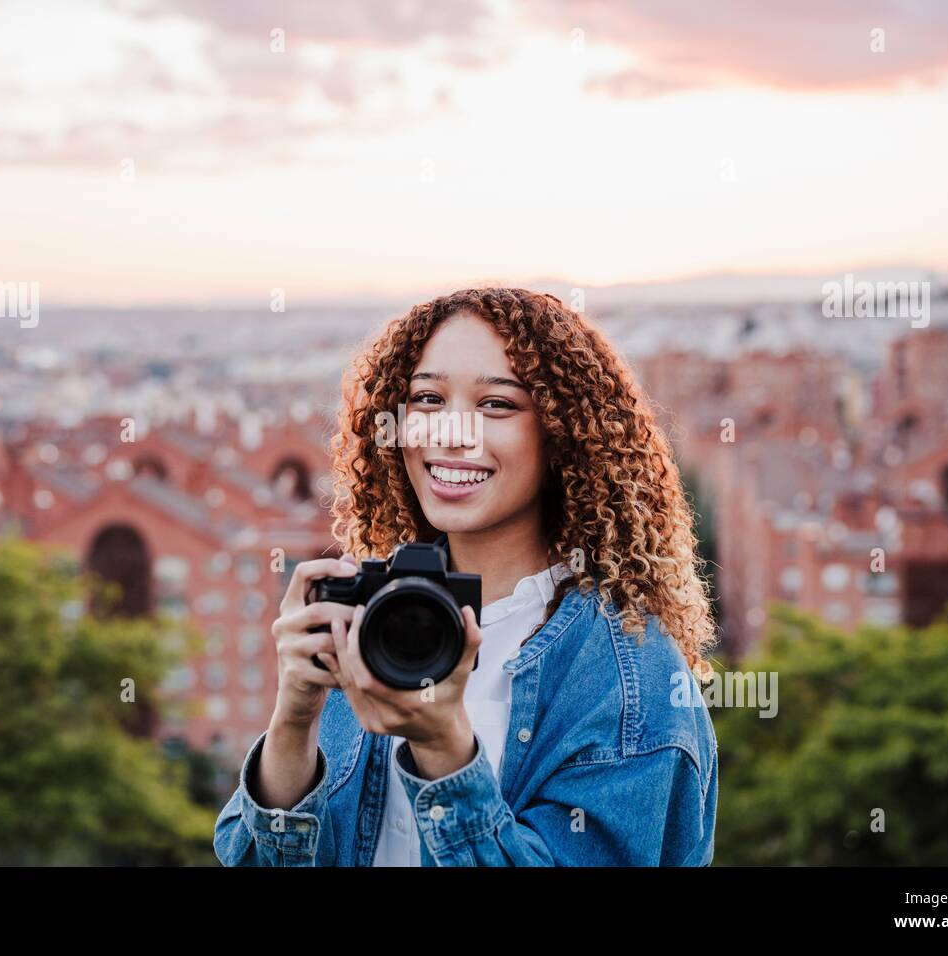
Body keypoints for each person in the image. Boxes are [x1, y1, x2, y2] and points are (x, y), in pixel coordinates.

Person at [214, 287, 718, 866]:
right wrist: (293, 724)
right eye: (427, 398)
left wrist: (445, 749)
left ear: (561, 434)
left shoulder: (629, 680)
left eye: (497, 405)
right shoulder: (370, 618)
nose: (449, 432)